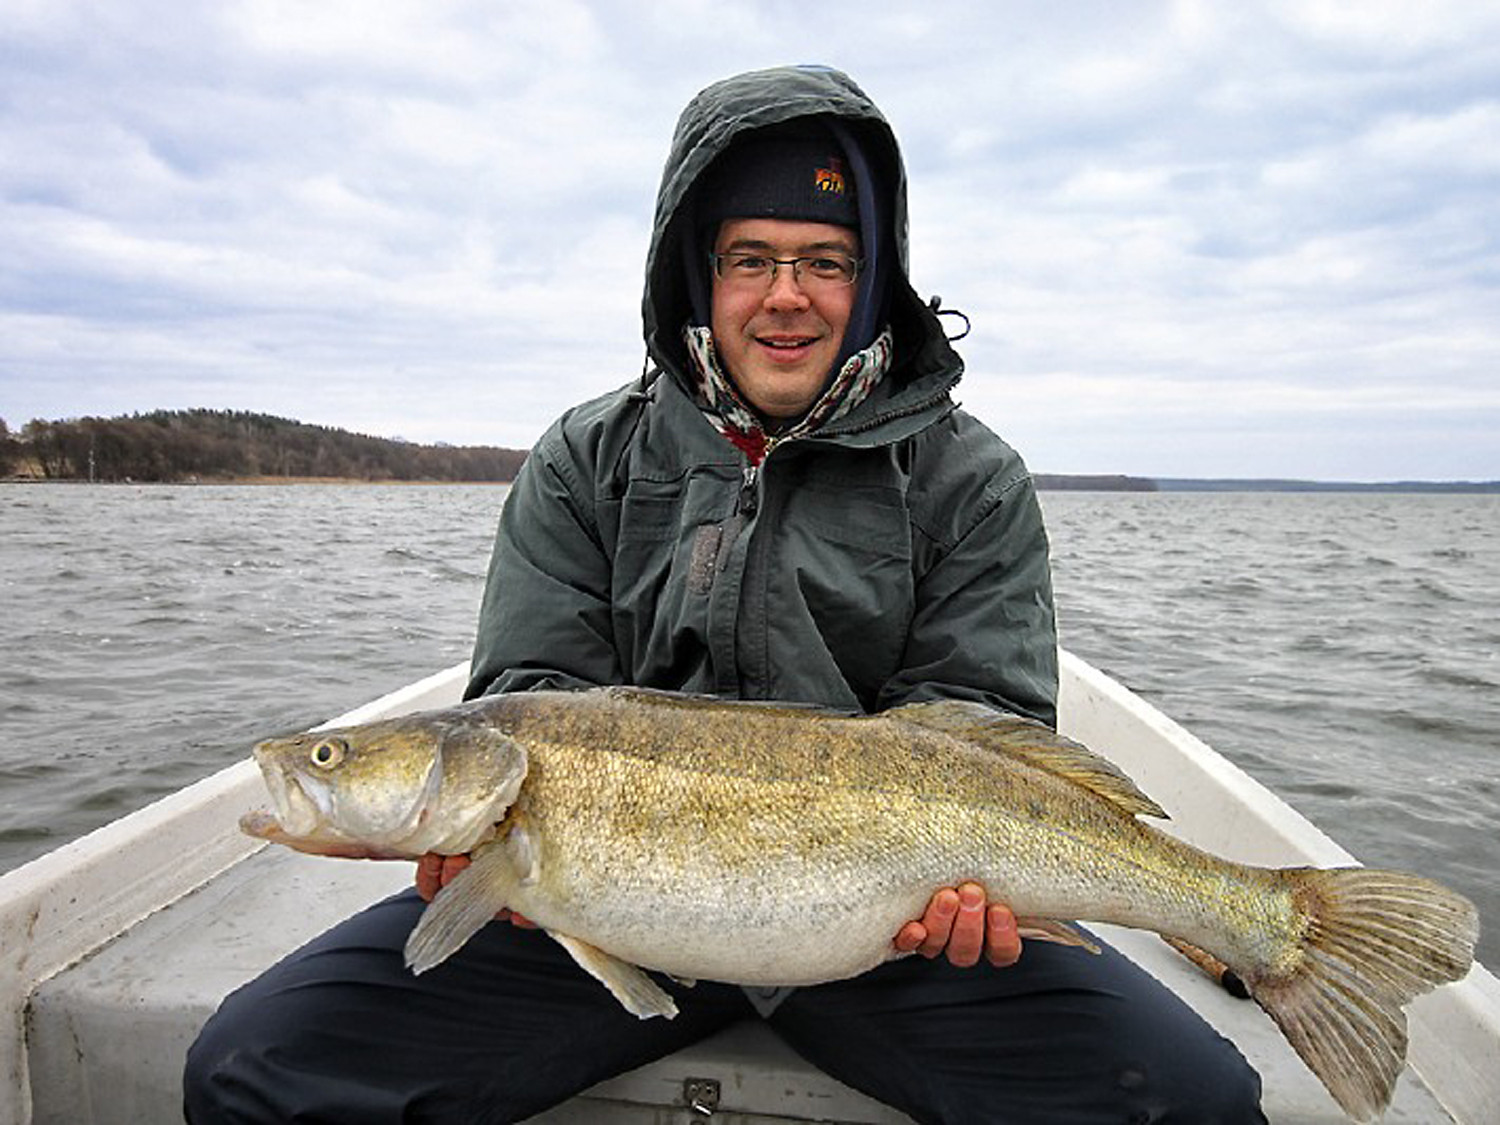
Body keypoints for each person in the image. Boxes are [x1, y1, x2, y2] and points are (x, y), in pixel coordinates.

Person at [185, 65, 1265, 1123]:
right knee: (252, 1069)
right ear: (696, 274)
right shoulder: (584, 458)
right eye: (749, 257)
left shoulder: (970, 480)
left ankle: (1284, 925)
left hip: (886, 939)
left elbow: (987, 725)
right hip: (579, 913)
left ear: (874, 276)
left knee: (1195, 1103)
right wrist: (488, 859)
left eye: (825, 261)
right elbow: (531, 682)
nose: (785, 295)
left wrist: (967, 908)